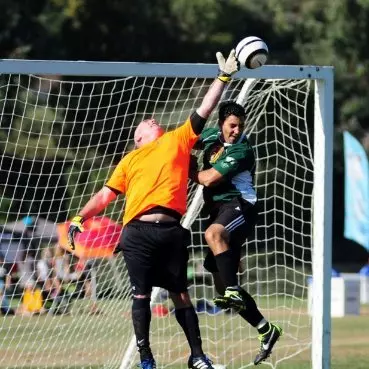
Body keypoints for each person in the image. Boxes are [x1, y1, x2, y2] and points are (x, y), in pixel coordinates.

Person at [67, 49, 239, 369]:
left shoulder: (177, 139)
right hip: (138, 233)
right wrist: (80, 216)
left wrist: (224, 77)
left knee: (181, 296)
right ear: (138, 139)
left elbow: (205, 107)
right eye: (145, 123)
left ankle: (198, 357)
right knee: (141, 297)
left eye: (151, 120)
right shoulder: (130, 160)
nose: (151, 119)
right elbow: (105, 196)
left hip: (172, 231)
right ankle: (147, 359)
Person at [189, 101, 283, 365]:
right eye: (232, 125)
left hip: (241, 205)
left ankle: (232, 288)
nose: (236, 130)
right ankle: (266, 329)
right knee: (222, 280)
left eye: (240, 126)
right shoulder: (210, 136)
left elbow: (207, 179)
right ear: (221, 124)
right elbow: (188, 140)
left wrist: (189, 169)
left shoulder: (242, 149)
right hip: (220, 209)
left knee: (213, 235)